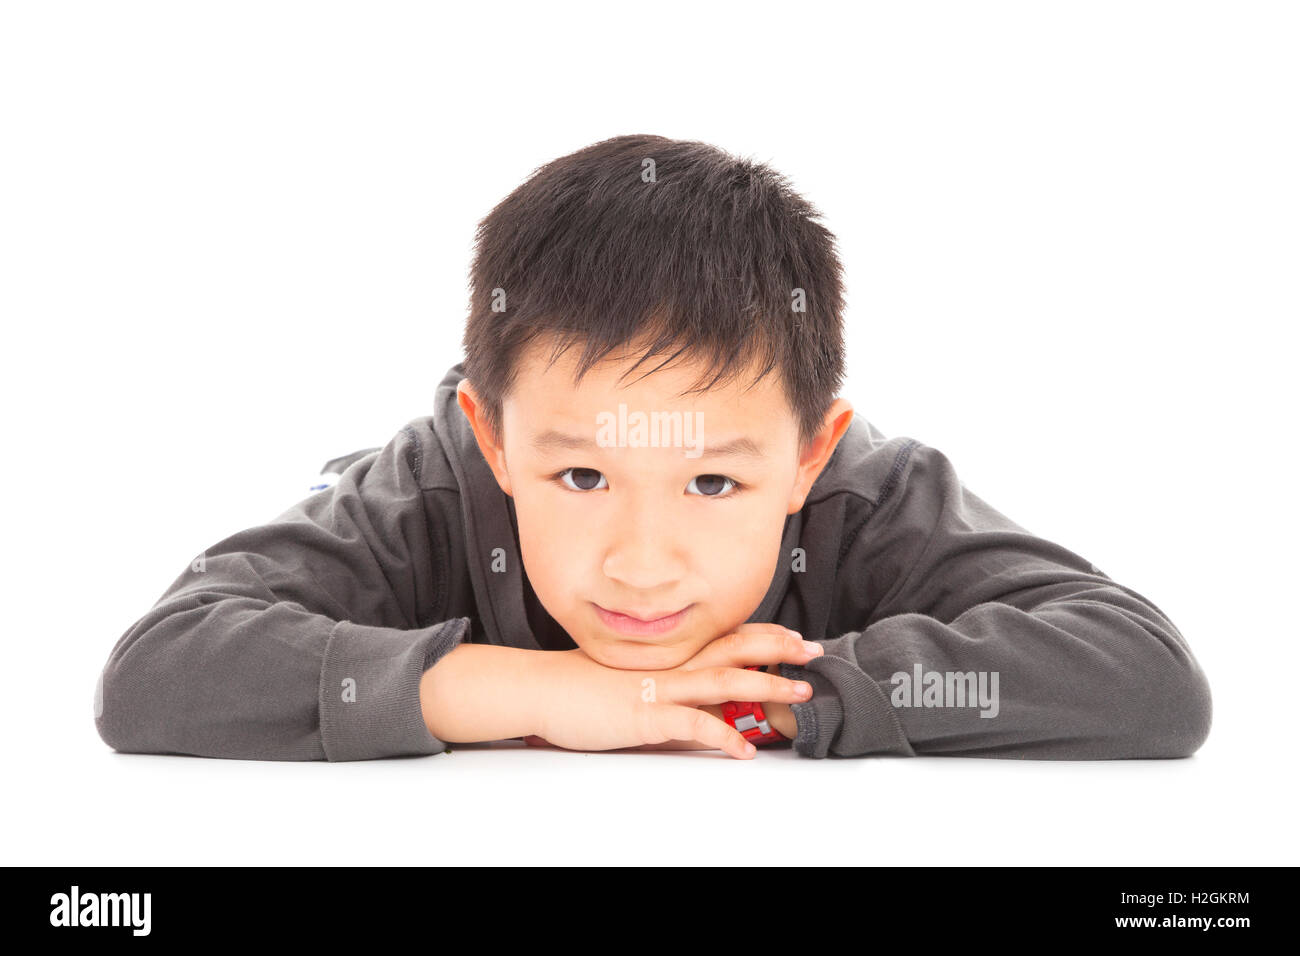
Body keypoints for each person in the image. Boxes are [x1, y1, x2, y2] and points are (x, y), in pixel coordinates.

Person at [94, 134, 1212, 762]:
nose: (640, 561)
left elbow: (1146, 679)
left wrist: (797, 691)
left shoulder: (868, 492)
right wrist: (532, 689)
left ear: (809, 456)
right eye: (580, 475)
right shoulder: (429, 485)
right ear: (492, 438)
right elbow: (158, 673)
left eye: (714, 480)